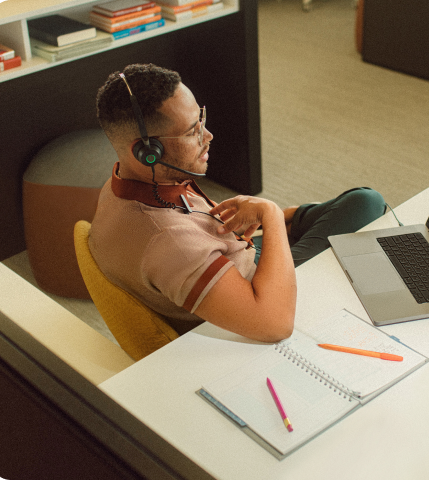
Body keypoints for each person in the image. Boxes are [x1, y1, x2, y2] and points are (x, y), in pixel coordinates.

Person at [91, 64, 386, 342]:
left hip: (239, 255)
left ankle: (295, 218)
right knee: (368, 205)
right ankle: (294, 220)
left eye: (201, 119)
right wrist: (270, 215)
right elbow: (276, 325)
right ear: (146, 152)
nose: (208, 135)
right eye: (192, 131)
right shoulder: (170, 243)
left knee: (360, 203)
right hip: (257, 288)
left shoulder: (126, 183)